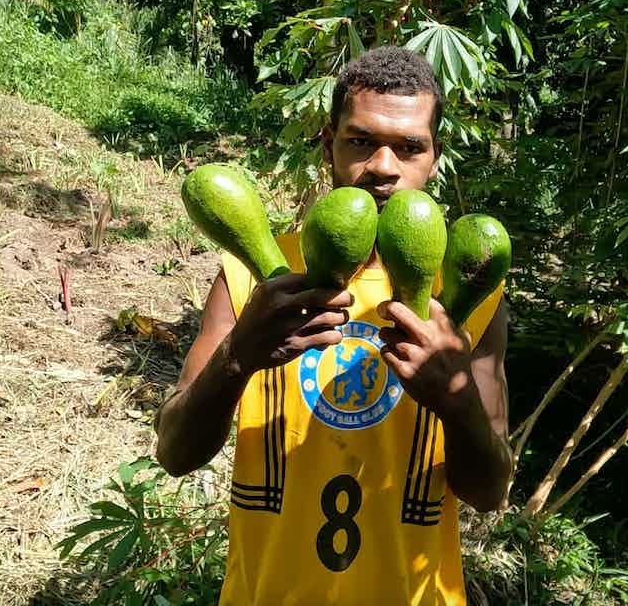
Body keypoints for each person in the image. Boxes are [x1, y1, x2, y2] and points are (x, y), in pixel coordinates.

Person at [154, 46, 512, 605]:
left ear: (435, 158)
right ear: (329, 145)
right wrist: (239, 356)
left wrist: (456, 396)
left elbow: (489, 492)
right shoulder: (253, 282)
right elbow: (175, 453)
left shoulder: (467, 301)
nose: (384, 168)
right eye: (362, 141)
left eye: (410, 148)